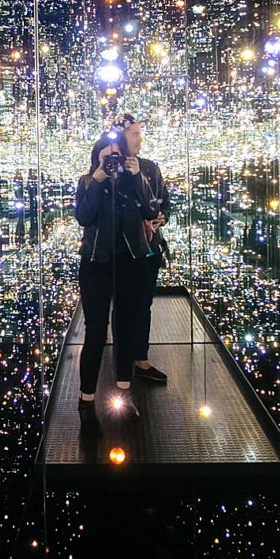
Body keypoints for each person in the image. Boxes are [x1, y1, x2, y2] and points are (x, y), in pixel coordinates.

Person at [73, 130, 160, 431]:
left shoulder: (134, 181)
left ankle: (124, 394)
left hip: (129, 263)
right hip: (95, 264)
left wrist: (137, 178)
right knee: (96, 332)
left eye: (117, 156)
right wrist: (98, 179)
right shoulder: (87, 182)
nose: (112, 161)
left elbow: (151, 210)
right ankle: (86, 401)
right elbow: (84, 217)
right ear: (97, 157)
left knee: (125, 328)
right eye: (106, 156)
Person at [114, 114, 171, 384]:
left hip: (150, 247)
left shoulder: (150, 167)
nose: (140, 139)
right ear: (121, 138)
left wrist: (163, 217)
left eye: (140, 134)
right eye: (135, 134)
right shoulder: (113, 170)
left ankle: (140, 358)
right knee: (124, 304)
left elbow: (164, 202)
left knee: (144, 302)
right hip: (123, 248)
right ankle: (123, 359)